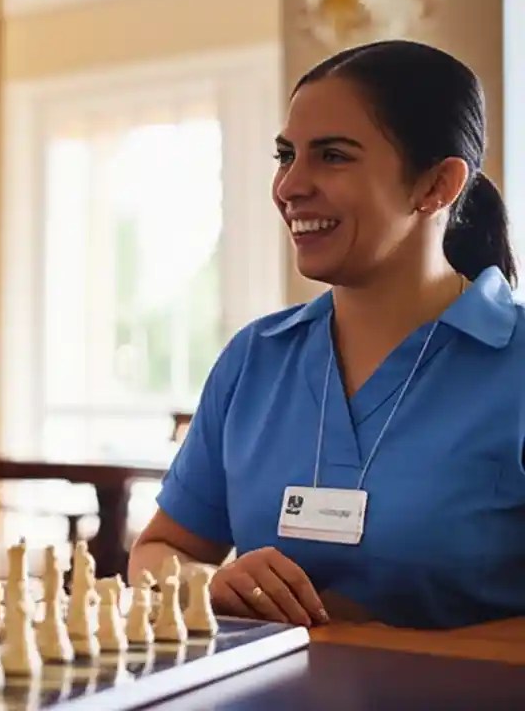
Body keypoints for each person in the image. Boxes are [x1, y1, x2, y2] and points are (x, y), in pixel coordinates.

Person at [129, 40, 525, 630]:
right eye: (285, 155)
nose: (290, 185)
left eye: (333, 156)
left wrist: (382, 642)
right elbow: (159, 552)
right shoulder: (254, 359)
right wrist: (205, 584)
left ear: (436, 185)